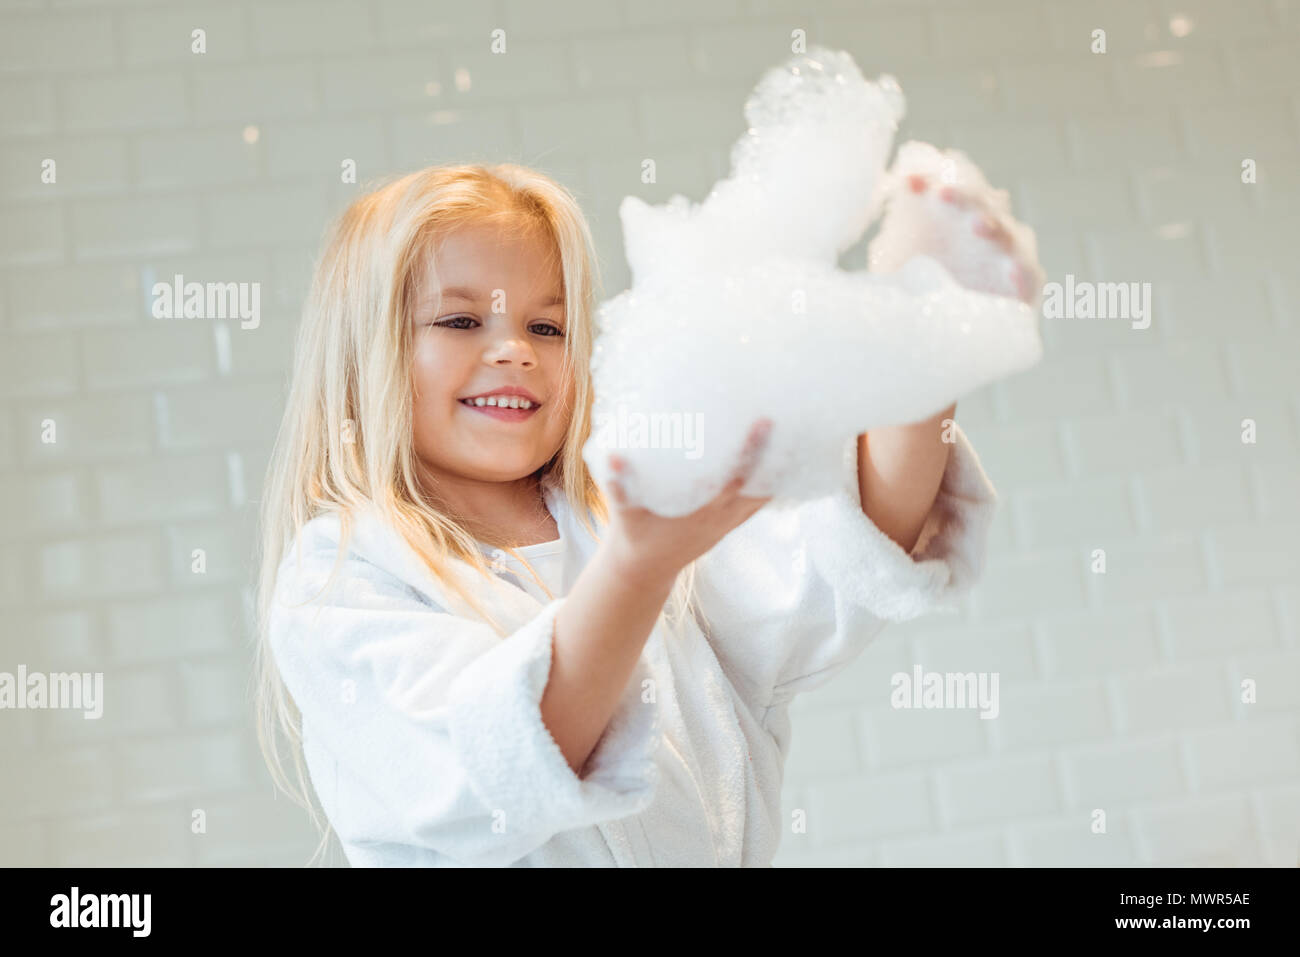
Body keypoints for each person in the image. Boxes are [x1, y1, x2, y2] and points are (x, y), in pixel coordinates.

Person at [254, 162, 1034, 867]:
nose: (516, 351)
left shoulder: (626, 521)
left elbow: (850, 554)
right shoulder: (345, 576)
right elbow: (500, 760)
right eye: (462, 322)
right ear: (364, 355)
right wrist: (640, 565)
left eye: (547, 326)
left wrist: (928, 352)